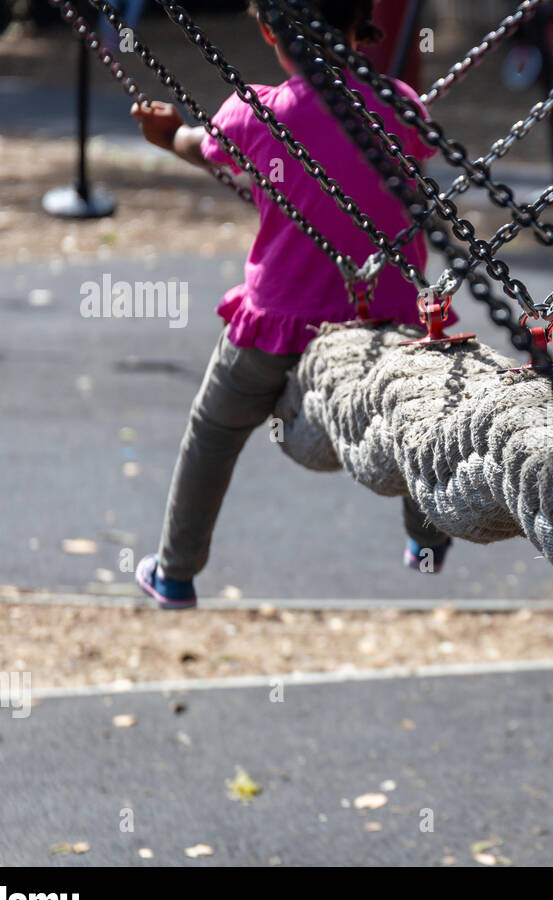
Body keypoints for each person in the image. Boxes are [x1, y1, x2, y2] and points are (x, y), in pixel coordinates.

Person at [130, 0, 452, 610]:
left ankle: (175, 572)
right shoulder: (403, 104)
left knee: (215, 429)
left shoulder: (258, 113)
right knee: (420, 414)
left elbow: (200, 147)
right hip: (388, 311)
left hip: (280, 321)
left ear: (268, 29)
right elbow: (409, 148)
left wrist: (168, 132)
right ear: (362, 27)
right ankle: (426, 541)